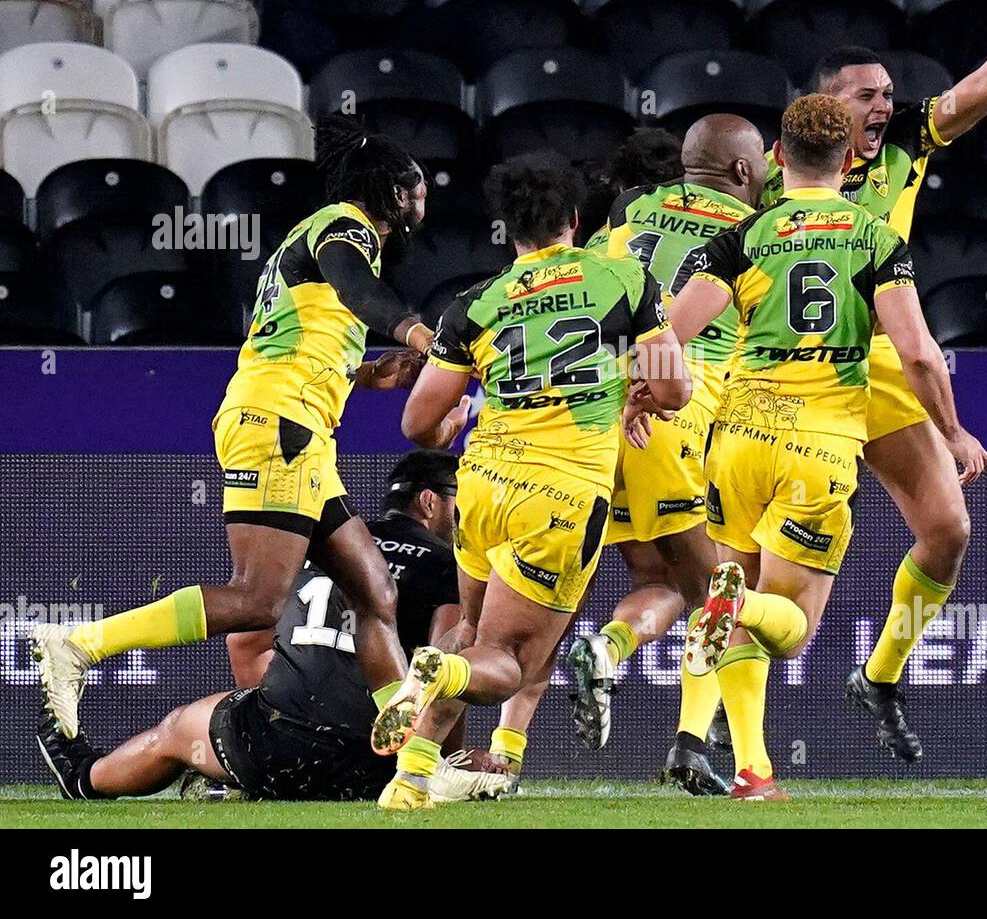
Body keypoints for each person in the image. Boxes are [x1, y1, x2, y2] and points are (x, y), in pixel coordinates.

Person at [752, 0, 987, 759]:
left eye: (886, 93)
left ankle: (878, 677)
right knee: (770, 596)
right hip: (784, 380)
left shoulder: (908, 141)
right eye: (866, 94)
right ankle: (717, 740)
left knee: (947, 528)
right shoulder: (771, 174)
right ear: (819, 108)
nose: (885, 104)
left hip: (876, 363)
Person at [30, 118, 454, 744]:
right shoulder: (346, 225)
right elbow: (355, 285)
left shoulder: (307, 240)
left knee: (376, 592)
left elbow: (291, 337)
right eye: (416, 190)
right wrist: (417, 332)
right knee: (258, 600)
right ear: (390, 192)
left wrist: (365, 374)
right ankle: (78, 644)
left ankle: (413, 755)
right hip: (278, 424)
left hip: (298, 427)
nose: (424, 203)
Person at [643, 94, 987, 799]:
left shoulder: (745, 233)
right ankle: (733, 612)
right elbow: (920, 355)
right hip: (816, 443)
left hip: (736, 439)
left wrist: (638, 396)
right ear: (847, 159)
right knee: (790, 629)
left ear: (776, 157)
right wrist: (952, 431)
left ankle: (751, 769)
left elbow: (666, 336)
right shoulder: (873, 238)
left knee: (732, 587)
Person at [368, 152, 690, 797]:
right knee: (510, 665)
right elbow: (674, 390)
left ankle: (408, 780)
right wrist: (633, 389)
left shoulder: (473, 303)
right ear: (575, 218)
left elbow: (416, 422)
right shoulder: (625, 281)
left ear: (508, 229)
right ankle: (437, 675)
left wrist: (446, 430)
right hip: (562, 494)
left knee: (468, 632)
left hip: (482, 483)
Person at [36, 451, 510, 803]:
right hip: (381, 764)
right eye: (459, 501)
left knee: (178, 730)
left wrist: (282, 710)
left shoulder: (323, 545)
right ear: (429, 502)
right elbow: (450, 656)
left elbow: (246, 641)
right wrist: (439, 759)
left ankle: (86, 777)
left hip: (273, 751)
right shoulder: (448, 565)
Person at [563, 115, 766, 799]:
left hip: (596, 402)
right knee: (719, 592)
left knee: (667, 580)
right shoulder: (752, 232)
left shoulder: (629, 206)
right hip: (676, 406)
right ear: (742, 171)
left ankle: (605, 649)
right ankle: (694, 743)